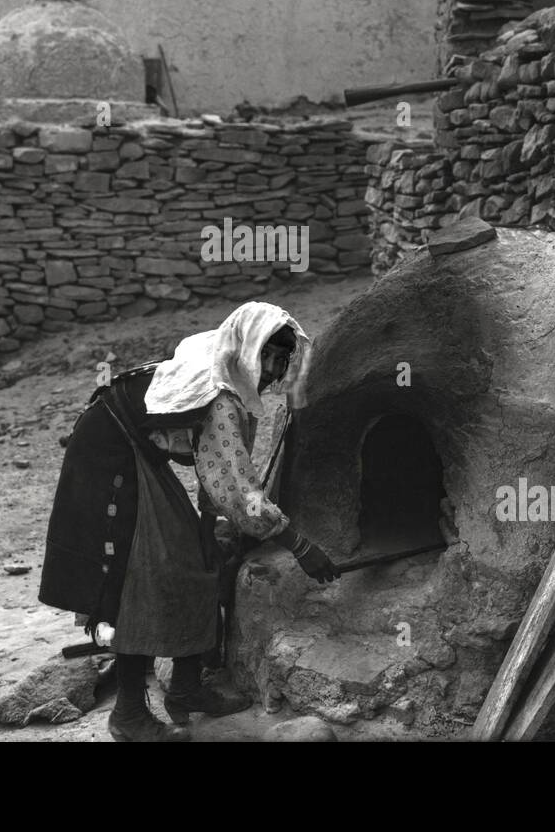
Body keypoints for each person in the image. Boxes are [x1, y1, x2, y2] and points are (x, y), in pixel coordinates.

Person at [39, 301, 339, 742]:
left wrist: (207, 526)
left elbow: (214, 467)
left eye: (282, 359)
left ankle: (185, 690)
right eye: (267, 356)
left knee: (197, 560)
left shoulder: (230, 368)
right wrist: (300, 546)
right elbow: (238, 490)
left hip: (135, 451)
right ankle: (128, 717)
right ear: (247, 347)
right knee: (145, 576)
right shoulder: (221, 394)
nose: (274, 370)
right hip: (111, 458)